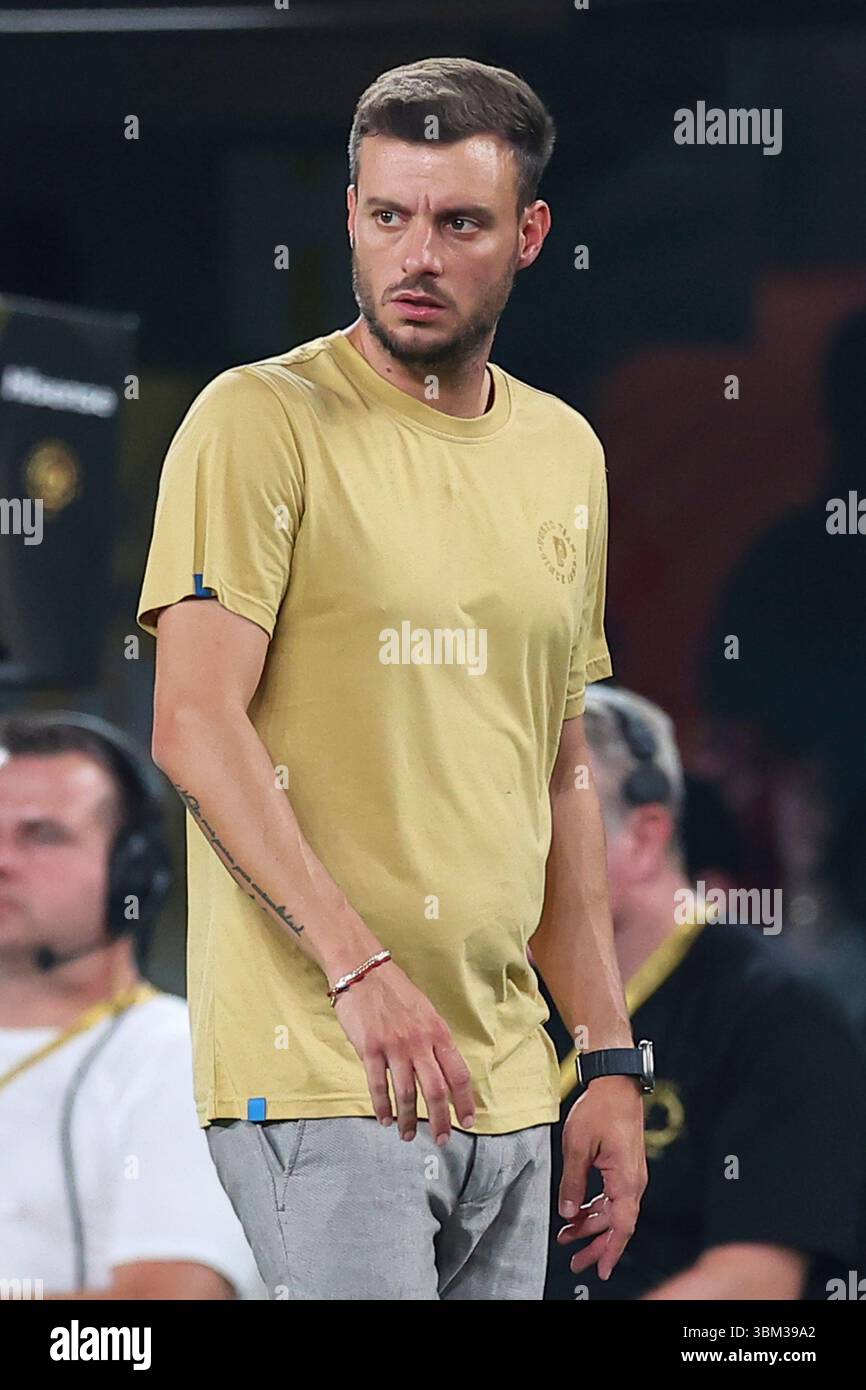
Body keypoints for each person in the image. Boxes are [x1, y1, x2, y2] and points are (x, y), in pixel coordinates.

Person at [136, 56, 649, 1301]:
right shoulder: (256, 421)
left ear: (527, 235)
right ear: (353, 218)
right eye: (387, 216)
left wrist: (608, 1058)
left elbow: (559, 764)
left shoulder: (563, 450)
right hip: (326, 1065)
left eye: (458, 222)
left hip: (509, 1081)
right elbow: (195, 725)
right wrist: (362, 974)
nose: (415, 253)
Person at [541, 684, 866, 1300]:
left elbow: (755, 1284)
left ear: (642, 837)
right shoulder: (502, 998)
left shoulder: (782, 1020)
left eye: (540, 826)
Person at [0, 711, 263, 1299]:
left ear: (132, 873)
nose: (3, 861)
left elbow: (160, 1308)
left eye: (40, 835)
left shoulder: (181, 1057)